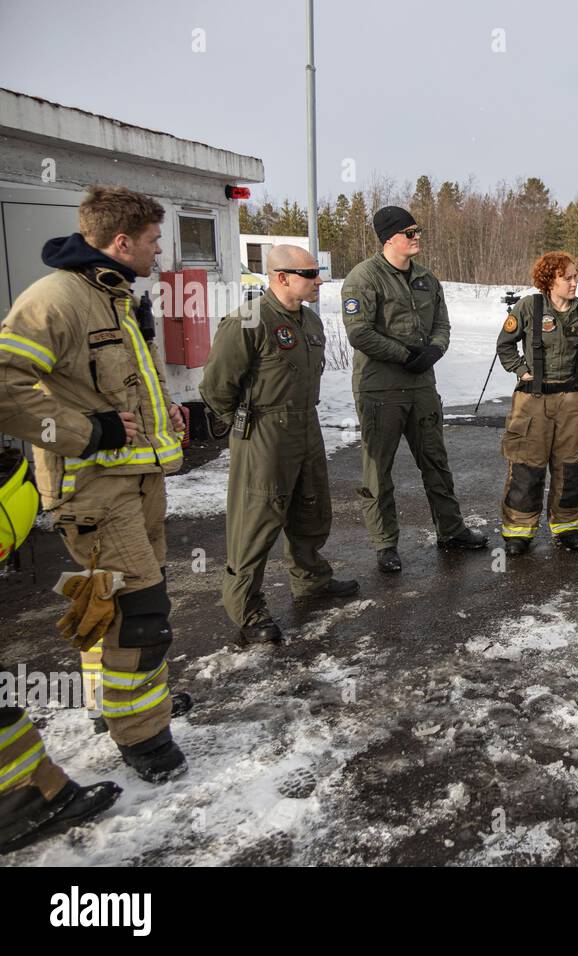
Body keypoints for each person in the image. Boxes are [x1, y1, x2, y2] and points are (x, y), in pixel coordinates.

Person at [0, 185, 192, 811]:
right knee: (140, 611)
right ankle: (142, 735)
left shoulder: (111, 294)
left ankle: (114, 699)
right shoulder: (57, 299)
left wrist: (166, 420)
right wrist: (90, 432)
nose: (160, 251)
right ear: (120, 242)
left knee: (107, 602)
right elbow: (7, 387)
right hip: (94, 488)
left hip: (138, 480)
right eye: (153, 240)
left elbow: (121, 381)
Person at [201, 245, 360, 644]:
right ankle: (247, 609)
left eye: (317, 271)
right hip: (264, 432)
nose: (318, 280)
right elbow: (217, 387)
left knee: (311, 506)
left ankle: (310, 579)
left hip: (305, 425)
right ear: (281, 277)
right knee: (257, 519)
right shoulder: (248, 321)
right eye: (309, 273)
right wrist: (246, 425)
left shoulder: (309, 321)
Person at [341, 205, 486, 572]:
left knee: (435, 461)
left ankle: (451, 530)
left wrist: (435, 349)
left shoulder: (426, 279)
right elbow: (360, 333)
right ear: (389, 238)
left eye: (417, 229)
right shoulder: (364, 278)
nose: (417, 235)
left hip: (421, 386)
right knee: (378, 470)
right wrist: (405, 355)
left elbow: (442, 322)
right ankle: (385, 544)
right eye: (409, 231)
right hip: (381, 389)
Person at [494, 252, 578, 554]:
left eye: (575, 276)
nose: (573, 282)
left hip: (572, 399)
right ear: (549, 280)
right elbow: (504, 344)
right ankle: (519, 530)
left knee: (571, 468)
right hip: (533, 400)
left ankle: (568, 526)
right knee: (526, 467)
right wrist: (520, 370)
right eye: (566, 277)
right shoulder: (530, 307)